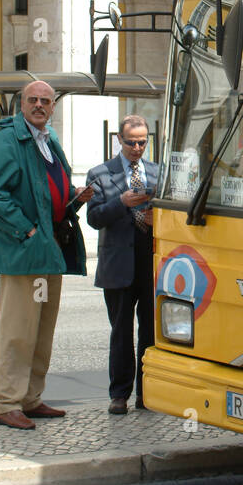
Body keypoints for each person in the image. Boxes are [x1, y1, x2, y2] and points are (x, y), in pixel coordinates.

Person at [0, 80, 92, 430]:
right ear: (21, 105)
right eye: (33, 100)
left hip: (49, 252)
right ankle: (8, 402)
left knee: (42, 328)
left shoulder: (49, 139)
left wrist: (73, 197)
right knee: (18, 329)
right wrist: (27, 231)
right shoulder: (8, 140)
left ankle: (30, 398)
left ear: (53, 107)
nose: (39, 105)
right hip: (25, 253)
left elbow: (45, 191)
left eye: (46, 100)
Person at [86, 114, 158, 414]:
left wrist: (159, 220)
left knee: (151, 333)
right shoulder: (100, 173)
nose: (137, 148)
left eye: (142, 142)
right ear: (119, 139)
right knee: (121, 331)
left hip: (150, 261)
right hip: (117, 263)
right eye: (131, 142)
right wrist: (121, 204)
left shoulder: (157, 172)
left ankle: (148, 393)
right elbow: (93, 217)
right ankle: (119, 394)